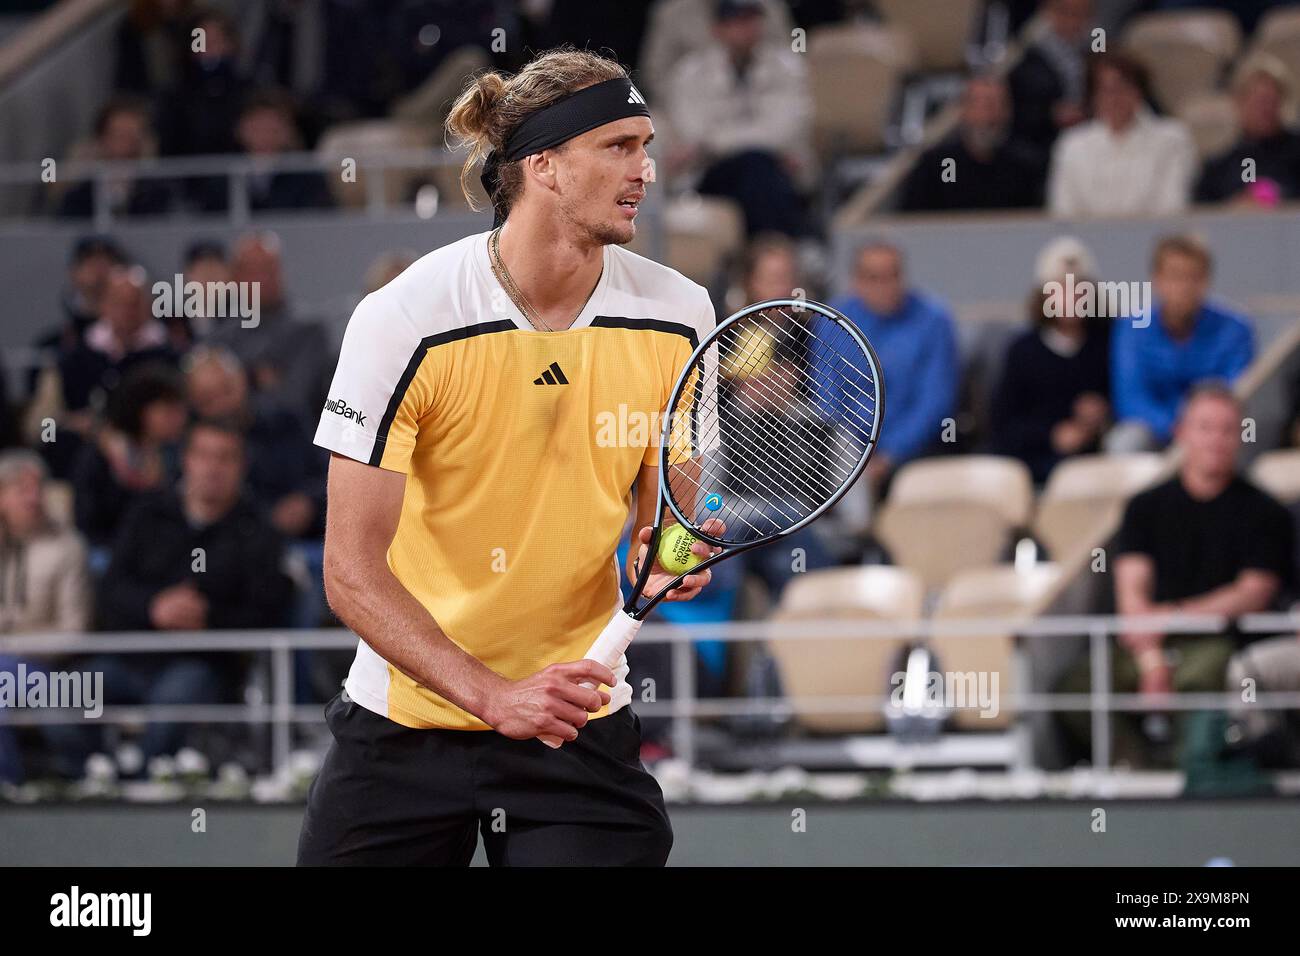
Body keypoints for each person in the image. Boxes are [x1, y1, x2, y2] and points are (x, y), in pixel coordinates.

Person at [297, 49, 719, 867]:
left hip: (574, 724)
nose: (648, 170)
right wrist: (496, 697)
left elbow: (668, 519)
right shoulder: (405, 319)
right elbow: (350, 571)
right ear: (546, 166)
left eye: (646, 145)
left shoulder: (680, 314)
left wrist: (671, 553)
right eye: (620, 147)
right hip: (404, 730)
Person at [1057, 384, 1293, 769]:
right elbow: (1131, 594)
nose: (1215, 440)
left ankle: (1191, 777)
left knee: (1205, 680)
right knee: (1077, 688)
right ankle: (1139, 770)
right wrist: (1151, 661)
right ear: (1181, 432)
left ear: (1240, 436)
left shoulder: (1265, 512)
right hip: (1145, 643)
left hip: (1217, 642)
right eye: (1204, 428)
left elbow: (1252, 594)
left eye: (1226, 429)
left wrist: (1171, 617)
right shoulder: (1145, 507)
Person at [72, 418, 293, 768]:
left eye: (225, 458)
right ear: (186, 459)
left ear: (241, 466)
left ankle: (141, 792)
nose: (213, 468)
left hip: (206, 666)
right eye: (204, 455)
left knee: (176, 699)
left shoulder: (258, 531)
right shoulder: (146, 514)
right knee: (65, 697)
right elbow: (110, 591)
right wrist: (153, 608)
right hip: (131, 658)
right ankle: (90, 783)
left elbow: (269, 610)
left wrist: (208, 617)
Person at [665, 0, 813, 236]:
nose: (745, 28)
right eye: (737, 20)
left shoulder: (789, 67)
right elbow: (692, 130)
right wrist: (752, 140)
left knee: (756, 170)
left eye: (751, 18)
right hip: (712, 174)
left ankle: (762, 255)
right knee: (755, 168)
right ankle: (784, 246)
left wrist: (714, 141)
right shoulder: (689, 74)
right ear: (718, 28)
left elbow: (784, 130)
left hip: (772, 170)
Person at [828, 241, 958, 495]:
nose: (884, 287)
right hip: (845, 455)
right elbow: (827, 399)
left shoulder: (934, 321)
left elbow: (935, 403)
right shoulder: (830, 322)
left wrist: (889, 455)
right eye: (874, 278)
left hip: (915, 454)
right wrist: (852, 458)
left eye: (893, 276)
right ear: (856, 281)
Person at [1107, 234, 1253, 451]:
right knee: (1125, 441)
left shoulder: (1234, 329)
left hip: (1217, 429)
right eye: (1175, 276)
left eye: (1193, 277)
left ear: (1206, 280)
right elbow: (1131, 399)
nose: (1184, 287)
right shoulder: (1132, 328)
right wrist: (1177, 427)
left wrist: (1203, 426)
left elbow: (1237, 390)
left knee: (1250, 431)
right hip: (1158, 431)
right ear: (1157, 279)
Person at [0, 451, 93, 784]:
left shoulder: (68, 546)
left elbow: (74, 633)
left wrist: (10, 646)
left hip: (50, 669)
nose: (34, 496)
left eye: (38, 487)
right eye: (21, 489)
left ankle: (7, 788)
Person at [989, 236, 1110, 484]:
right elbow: (1003, 426)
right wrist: (1051, 435)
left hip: (1096, 459)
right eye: (1060, 289)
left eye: (1079, 288)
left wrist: (1102, 412)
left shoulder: (1106, 343)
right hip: (1037, 463)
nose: (1071, 299)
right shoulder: (1023, 351)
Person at [1047, 52, 1197, 218]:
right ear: (1093, 95)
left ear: (1139, 91)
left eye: (1122, 88)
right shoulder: (1072, 144)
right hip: (1087, 241)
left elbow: (1171, 207)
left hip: (1154, 240)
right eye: (1105, 90)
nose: (1114, 98)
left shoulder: (1172, 139)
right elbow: (1063, 212)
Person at [205, 231, 332, 424]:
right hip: (229, 442)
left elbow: (294, 399)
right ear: (235, 277)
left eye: (268, 269)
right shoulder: (219, 338)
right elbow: (206, 401)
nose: (262, 278)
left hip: (291, 443)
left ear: (280, 272)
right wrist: (257, 379)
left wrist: (239, 388)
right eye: (251, 270)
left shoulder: (309, 331)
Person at [71, 364, 187, 552]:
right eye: (168, 410)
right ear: (141, 410)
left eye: (180, 410)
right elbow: (87, 523)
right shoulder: (99, 456)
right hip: (108, 551)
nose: (179, 419)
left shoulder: (180, 453)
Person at [899, 75, 1045, 212]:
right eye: (979, 104)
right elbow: (916, 218)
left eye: (994, 104)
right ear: (963, 109)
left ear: (1007, 111)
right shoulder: (944, 163)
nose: (987, 115)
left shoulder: (1024, 166)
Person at [1196, 54, 1300, 206]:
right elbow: (1200, 214)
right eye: (1259, 102)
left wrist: (1278, 197)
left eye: (1271, 101)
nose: (1266, 109)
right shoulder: (1219, 167)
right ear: (1238, 103)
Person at [55, 96, 175, 219]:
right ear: (101, 138)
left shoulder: (159, 192)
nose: (125, 144)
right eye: (118, 135)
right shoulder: (78, 195)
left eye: (132, 135)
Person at [1007, 0, 1093, 164]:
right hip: (1043, 147)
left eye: (1081, 14)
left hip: (1093, 140)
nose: (1073, 21)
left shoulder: (1099, 55)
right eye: (1065, 12)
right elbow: (1014, 116)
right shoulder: (1024, 59)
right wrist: (1050, 114)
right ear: (1047, 13)